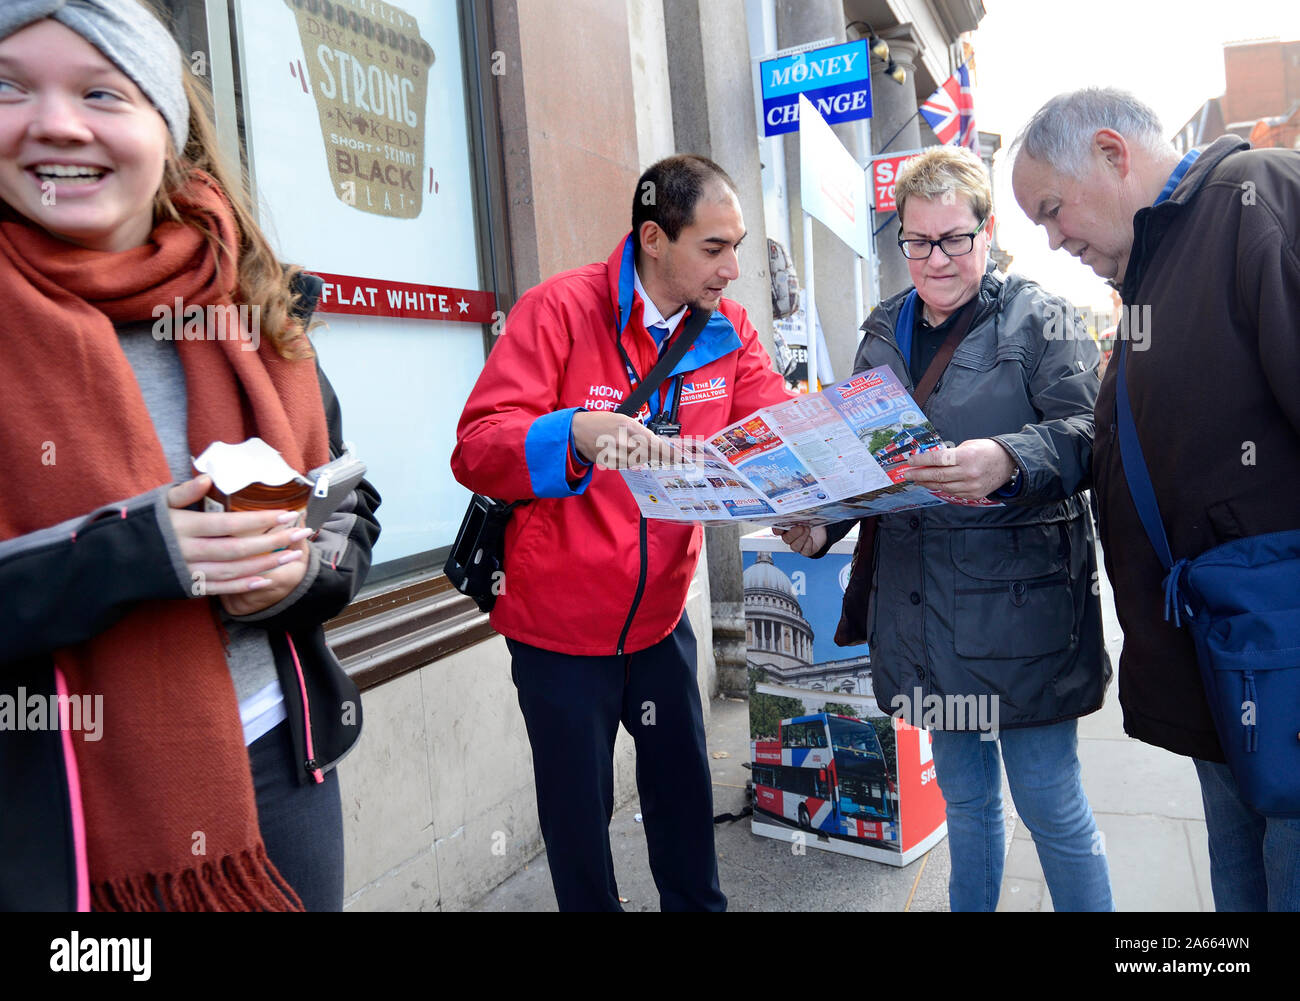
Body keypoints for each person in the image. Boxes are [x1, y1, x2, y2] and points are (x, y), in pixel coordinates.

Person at [0, 0, 379, 911]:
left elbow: (347, 512)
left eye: (101, 91)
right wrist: (139, 555)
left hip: (283, 767)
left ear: (166, 130)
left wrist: (296, 571)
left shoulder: (251, 297)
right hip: (58, 822)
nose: (55, 121)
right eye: (9, 86)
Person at [451, 154, 792, 911]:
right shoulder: (559, 310)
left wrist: (822, 495)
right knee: (578, 821)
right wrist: (574, 434)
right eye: (715, 247)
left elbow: (776, 432)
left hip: (661, 619)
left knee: (683, 797)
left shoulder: (728, 329)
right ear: (653, 238)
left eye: (738, 245)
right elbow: (477, 445)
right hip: (557, 629)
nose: (734, 268)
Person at [777, 146, 1113, 912]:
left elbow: (1095, 434)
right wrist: (821, 523)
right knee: (966, 805)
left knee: (1052, 806)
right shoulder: (882, 331)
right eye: (918, 241)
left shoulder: (1042, 316)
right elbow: (865, 463)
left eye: (955, 238)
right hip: (922, 616)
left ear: (987, 232)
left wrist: (1007, 457)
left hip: (1021, 619)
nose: (936, 259)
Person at [1011, 88, 1300, 911]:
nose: (1056, 238)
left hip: (1281, 663)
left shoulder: (1260, 202)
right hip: (1226, 662)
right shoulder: (1160, 262)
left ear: (1111, 153)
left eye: (1054, 210)